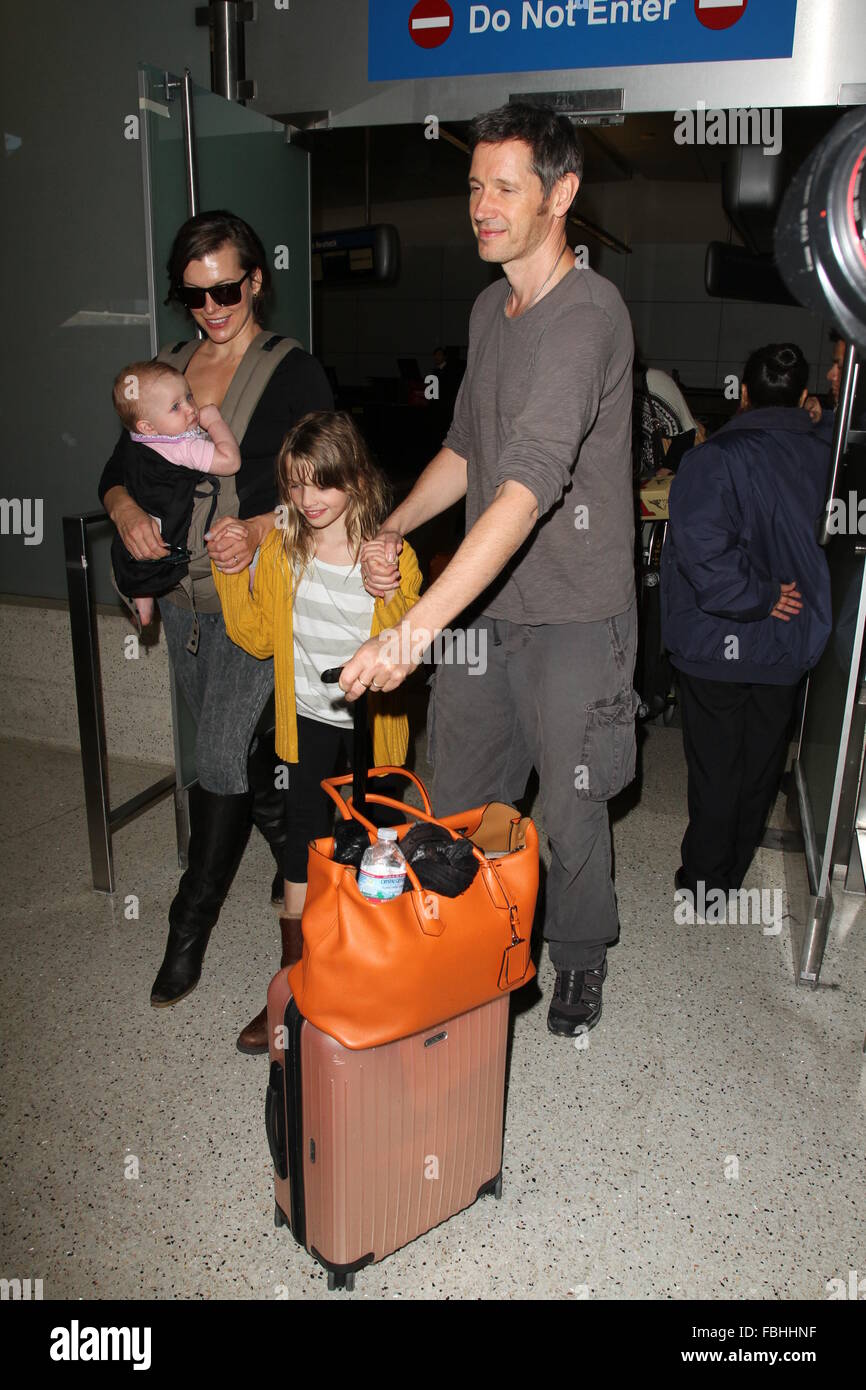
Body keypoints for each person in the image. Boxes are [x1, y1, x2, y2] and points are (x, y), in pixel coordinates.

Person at [340, 102, 639, 1039]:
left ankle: (580, 959)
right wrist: (392, 523)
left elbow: (526, 484)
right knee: (462, 793)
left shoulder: (588, 315)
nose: (482, 204)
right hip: (486, 613)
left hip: (576, 615)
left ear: (562, 193)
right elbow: (469, 450)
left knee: (574, 807)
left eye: (505, 187)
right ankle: (476, 935)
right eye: (473, 185)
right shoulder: (487, 309)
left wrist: (414, 630)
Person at [98, 210, 333, 1014]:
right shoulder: (160, 371)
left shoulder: (295, 372)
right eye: (194, 293)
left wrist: (261, 525)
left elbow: (328, 488)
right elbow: (116, 466)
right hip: (180, 605)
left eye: (227, 287)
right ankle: (299, 858)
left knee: (221, 761)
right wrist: (126, 508)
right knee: (237, 764)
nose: (212, 306)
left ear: (256, 280)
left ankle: (186, 927)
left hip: (253, 602)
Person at [213, 410, 422, 1052]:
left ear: (356, 477)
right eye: (295, 485)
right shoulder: (280, 548)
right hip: (303, 725)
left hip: (371, 732)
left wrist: (386, 591)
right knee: (301, 852)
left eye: (321, 484)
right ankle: (294, 985)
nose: (307, 500)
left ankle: (364, 980)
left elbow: (412, 640)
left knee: (370, 853)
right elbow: (253, 636)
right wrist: (228, 569)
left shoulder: (390, 552)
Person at [660, 343, 832, 912]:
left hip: (717, 642)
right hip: (786, 645)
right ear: (805, 398)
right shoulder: (825, 453)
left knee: (716, 766)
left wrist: (759, 596)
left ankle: (706, 886)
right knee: (760, 764)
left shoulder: (713, 458)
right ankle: (731, 874)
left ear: (744, 394)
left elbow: (705, 557)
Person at [109, 361, 241, 627]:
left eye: (189, 396)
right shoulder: (183, 446)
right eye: (176, 407)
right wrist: (214, 421)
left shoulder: (137, 441)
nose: (191, 409)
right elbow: (230, 462)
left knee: (140, 562)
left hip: (137, 536)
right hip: (172, 538)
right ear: (148, 426)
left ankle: (141, 596)